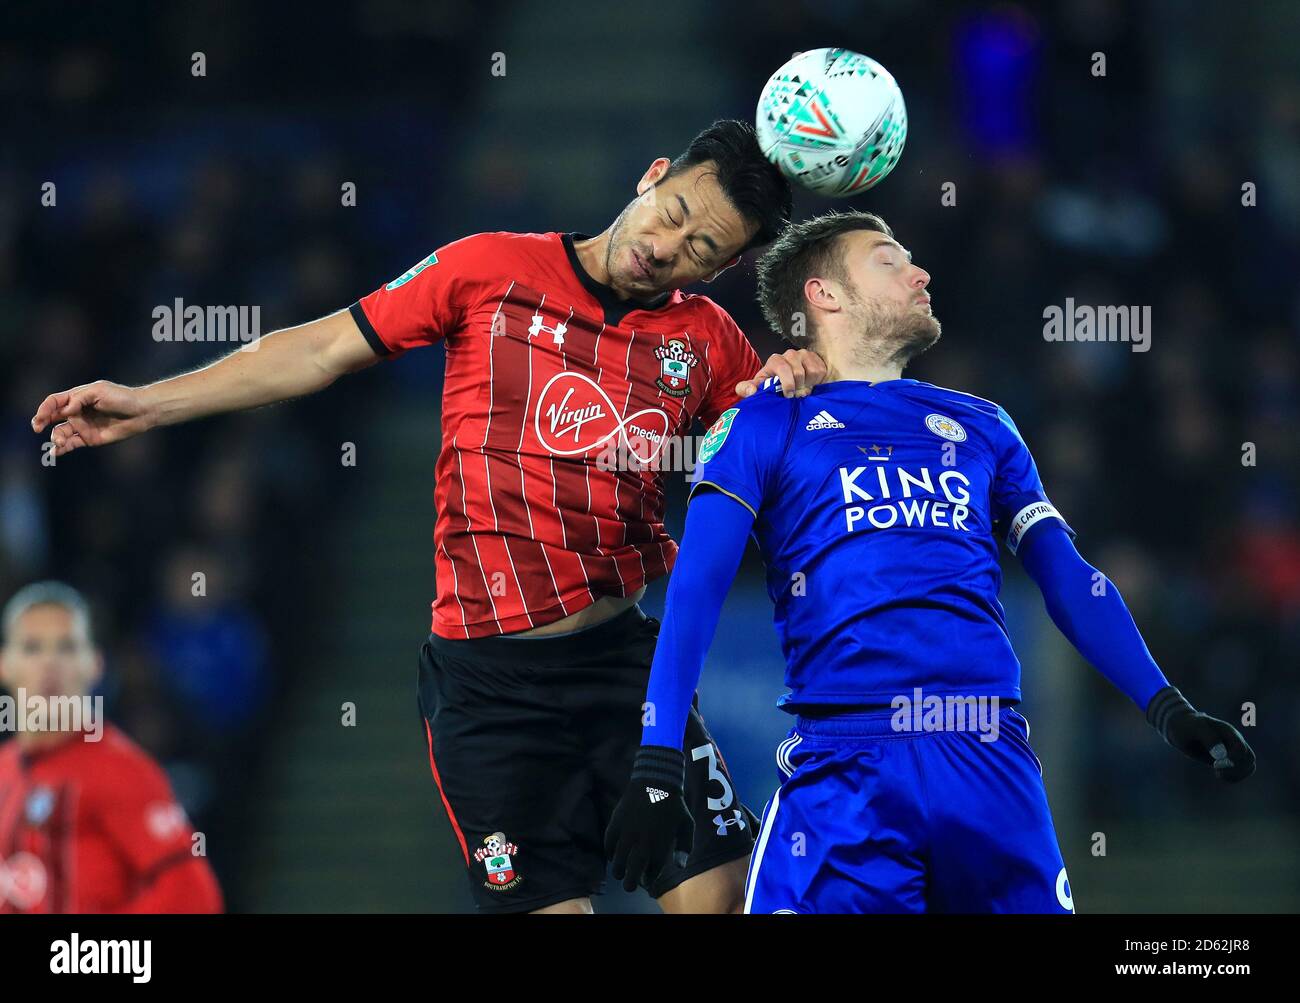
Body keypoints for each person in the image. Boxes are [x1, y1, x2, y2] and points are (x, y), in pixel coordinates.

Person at [30, 120, 828, 914]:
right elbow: (317, 351)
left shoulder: (711, 343)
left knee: (722, 900)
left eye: (701, 248)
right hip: (487, 688)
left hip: (622, 665)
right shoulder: (488, 267)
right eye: (676, 212)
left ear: (725, 267)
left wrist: (803, 382)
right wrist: (147, 403)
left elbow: (787, 476)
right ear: (653, 175)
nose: (667, 245)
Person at [603, 209, 1255, 913]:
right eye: (889, 260)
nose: (920, 272)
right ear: (824, 295)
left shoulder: (983, 424)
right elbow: (695, 593)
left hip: (989, 755)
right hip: (848, 765)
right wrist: (658, 759)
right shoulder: (763, 419)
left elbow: (1069, 576)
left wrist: (1167, 706)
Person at [0, 582, 223, 913]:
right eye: (32, 648)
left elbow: (193, 897)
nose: (50, 664)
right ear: (5, 665)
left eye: (67, 647)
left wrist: (86, 957)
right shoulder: (5, 768)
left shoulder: (121, 769)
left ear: (95, 664)